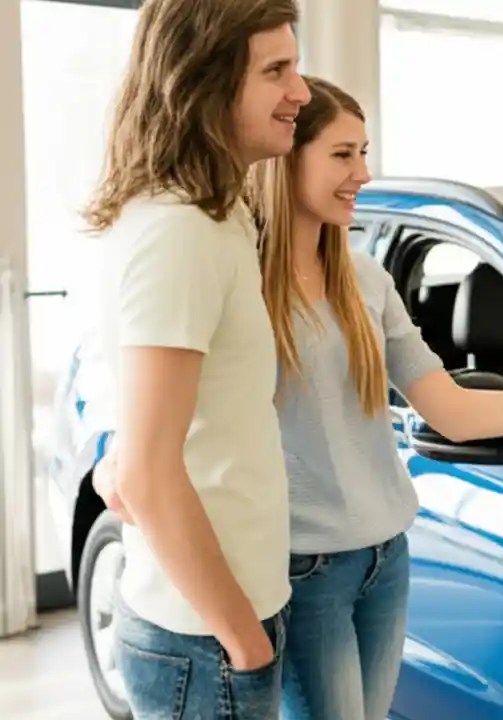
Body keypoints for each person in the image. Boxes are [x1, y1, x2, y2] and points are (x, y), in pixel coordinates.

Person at [103, 75, 503, 719]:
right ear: (286, 157)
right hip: (301, 570)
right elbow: (155, 428)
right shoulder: (232, 277)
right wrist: (116, 463)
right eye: (342, 154)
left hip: (385, 557)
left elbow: (451, 409)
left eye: (364, 152)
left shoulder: (365, 280)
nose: (362, 173)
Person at [82, 0, 310, 716]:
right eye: (277, 71)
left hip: (220, 620)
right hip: (206, 638)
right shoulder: (178, 232)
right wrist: (245, 642)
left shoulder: (219, 213)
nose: (300, 92)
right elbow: (149, 472)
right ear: (205, 85)